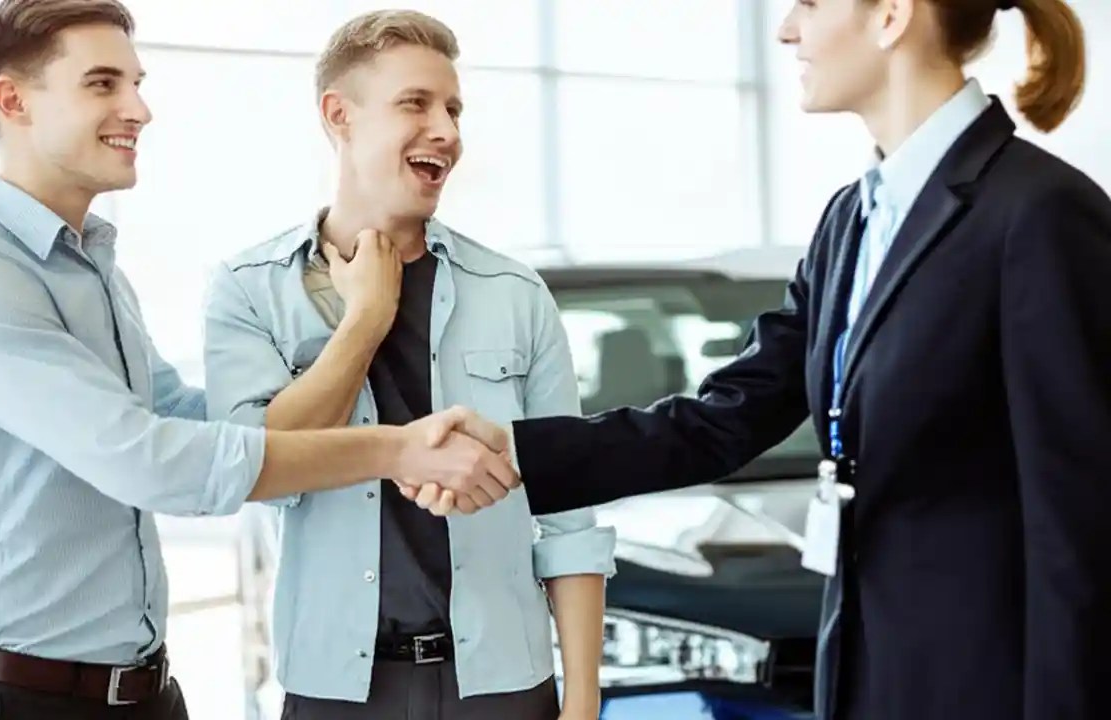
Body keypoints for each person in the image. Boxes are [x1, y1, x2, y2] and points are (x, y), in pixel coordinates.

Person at [416, 1, 1111, 719]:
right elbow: (725, 417)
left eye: (809, 3)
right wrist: (518, 451)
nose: (786, 29)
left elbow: (1083, 533)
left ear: (891, 16)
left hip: (982, 685)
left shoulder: (1041, 215)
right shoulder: (853, 221)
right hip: (873, 673)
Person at [0, 2, 515, 718]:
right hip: (15, 700)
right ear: (14, 101)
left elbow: (203, 423)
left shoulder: (90, 268)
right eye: (103, 84)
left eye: (136, 83)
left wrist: (357, 334)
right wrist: (397, 447)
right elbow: (153, 462)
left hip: (144, 691)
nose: (139, 109)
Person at [203, 10, 614, 720]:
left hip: (503, 684)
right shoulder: (250, 289)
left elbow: (569, 513)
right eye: (415, 104)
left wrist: (582, 700)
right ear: (339, 115)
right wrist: (365, 320)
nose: (446, 131)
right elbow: (256, 469)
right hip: (338, 689)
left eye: (453, 109)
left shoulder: (514, 294)